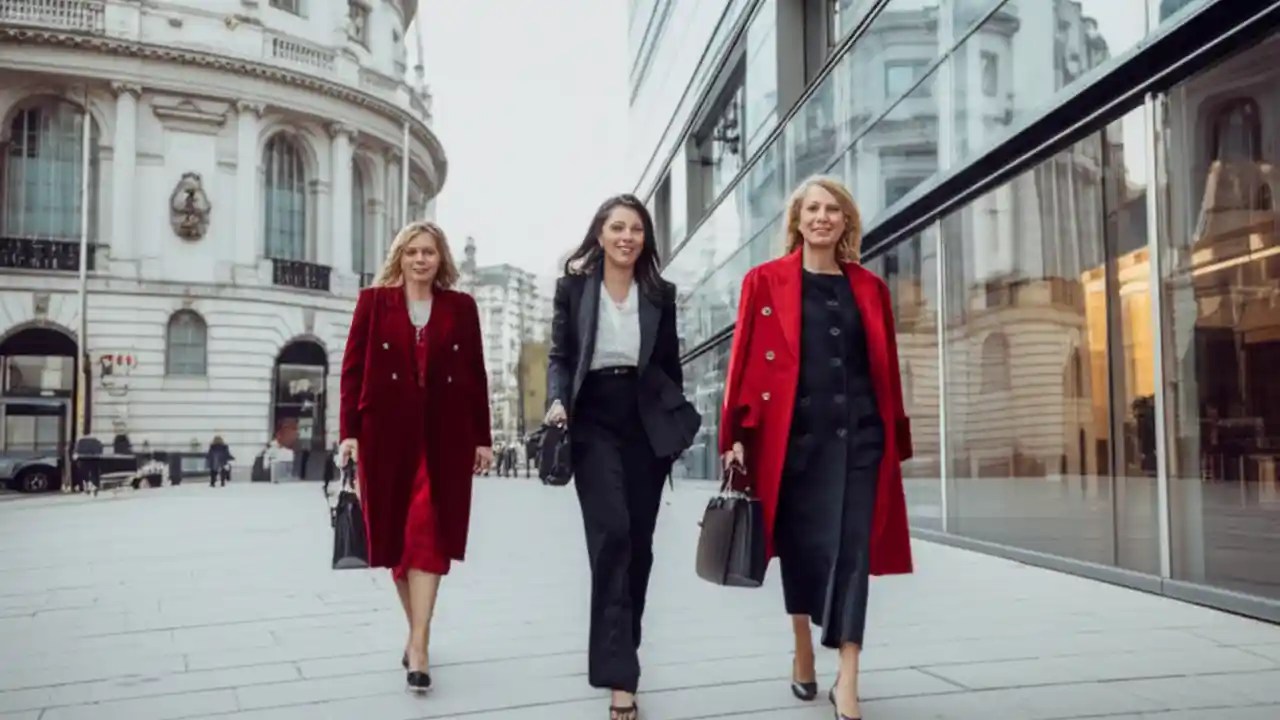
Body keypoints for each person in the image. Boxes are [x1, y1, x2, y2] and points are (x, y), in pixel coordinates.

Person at [718, 176, 914, 720]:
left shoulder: (870, 288)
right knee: (800, 548)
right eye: (812, 209)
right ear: (797, 220)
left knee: (852, 554)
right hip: (790, 440)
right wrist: (732, 433)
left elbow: (886, 370)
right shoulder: (763, 281)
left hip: (859, 442)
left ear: (845, 221)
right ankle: (803, 643)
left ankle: (847, 680)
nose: (822, 217)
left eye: (832, 210)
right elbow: (741, 363)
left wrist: (894, 435)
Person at [546, 194, 698, 720]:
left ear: (645, 240)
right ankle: (621, 681)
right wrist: (557, 402)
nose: (626, 237)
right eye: (617, 227)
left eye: (636, 229)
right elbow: (561, 356)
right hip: (593, 421)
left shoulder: (660, 293)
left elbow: (670, 365)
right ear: (601, 234)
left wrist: (673, 429)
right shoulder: (573, 288)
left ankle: (621, 651)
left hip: (644, 422)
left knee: (640, 545)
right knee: (611, 536)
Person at [338, 220, 493, 694]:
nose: (421, 259)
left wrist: (482, 437)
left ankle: (419, 644)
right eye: (412, 252)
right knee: (395, 540)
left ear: (440, 258)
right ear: (400, 257)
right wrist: (348, 434)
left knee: (428, 531)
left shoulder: (461, 308)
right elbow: (352, 370)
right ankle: (416, 634)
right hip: (384, 436)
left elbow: (475, 374)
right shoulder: (373, 302)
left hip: (445, 437)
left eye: (429, 252)